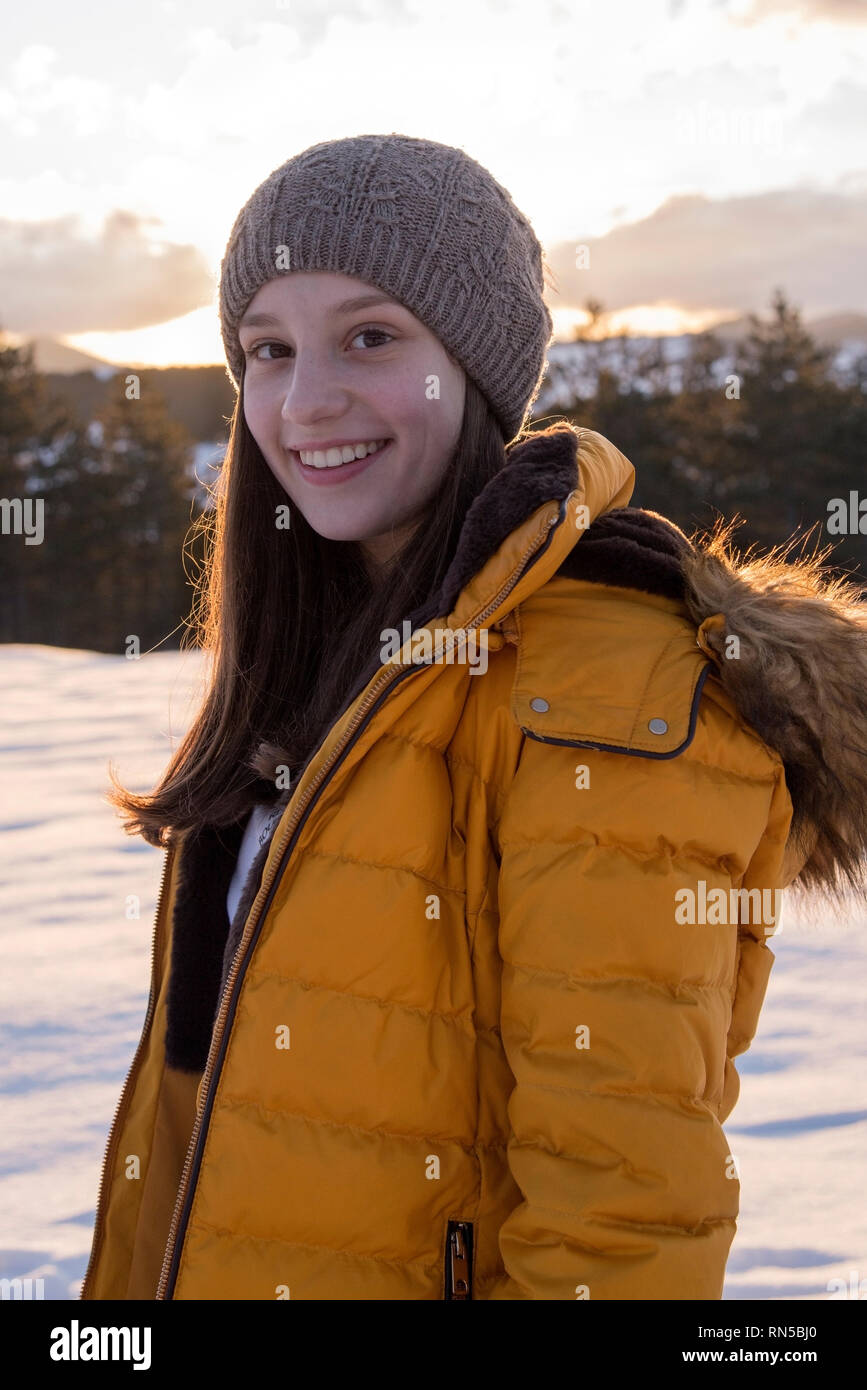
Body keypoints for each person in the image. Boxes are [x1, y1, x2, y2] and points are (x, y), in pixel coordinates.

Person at [81, 133, 867, 1301]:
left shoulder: (609, 686)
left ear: (479, 363)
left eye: (371, 336)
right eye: (267, 349)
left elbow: (622, 1214)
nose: (305, 400)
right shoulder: (313, 665)